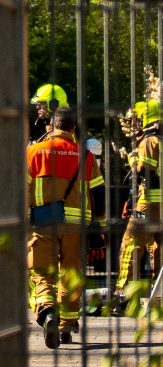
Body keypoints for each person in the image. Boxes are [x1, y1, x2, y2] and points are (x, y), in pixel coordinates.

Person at [28, 105, 102, 347]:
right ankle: (67, 324)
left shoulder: (34, 153)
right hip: (76, 226)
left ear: (51, 127)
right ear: (74, 128)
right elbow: (99, 196)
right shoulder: (87, 156)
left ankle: (48, 311)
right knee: (71, 273)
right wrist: (98, 229)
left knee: (41, 272)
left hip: (44, 222)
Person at [118, 100, 161, 309]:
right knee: (159, 249)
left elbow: (146, 172)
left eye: (136, 120)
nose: (134, 124)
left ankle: (125, 296)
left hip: (149, 204)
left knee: (131, 246)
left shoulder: (149, 141)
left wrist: (134, 160)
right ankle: (158, 294)